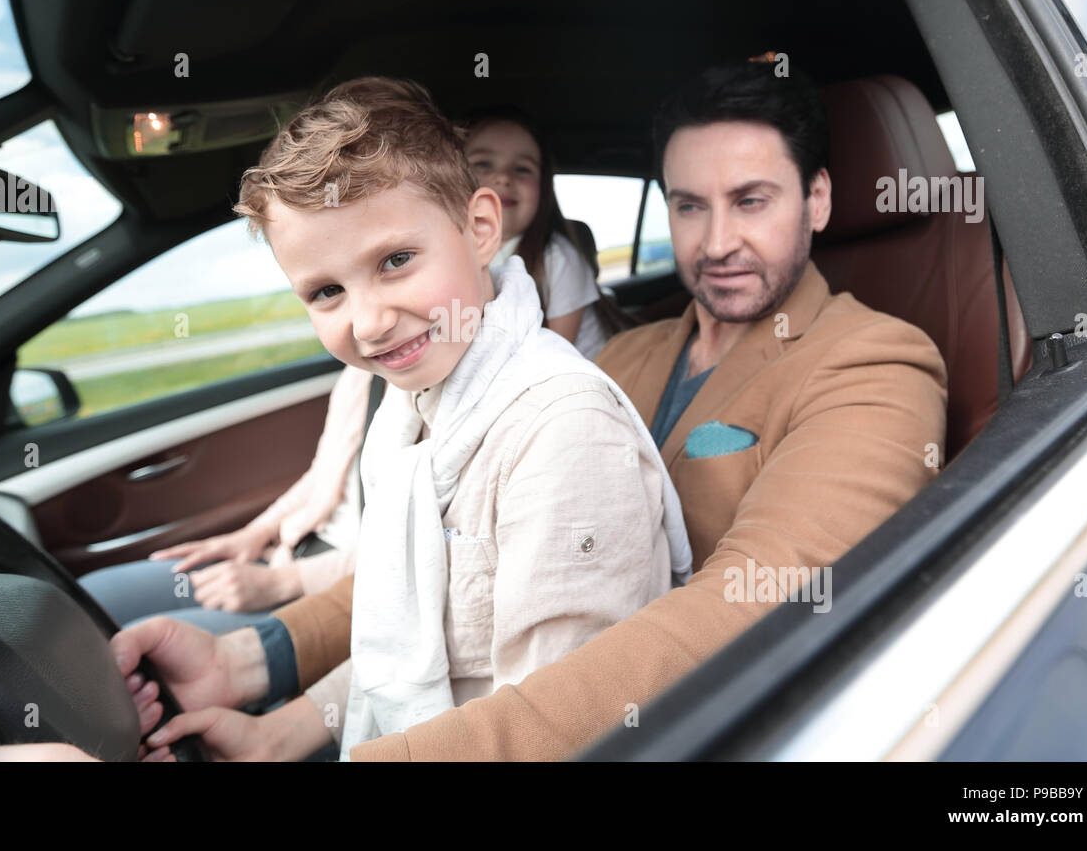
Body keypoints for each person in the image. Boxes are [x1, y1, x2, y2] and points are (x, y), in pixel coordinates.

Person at [118, 59, 946, 762]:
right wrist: (260, 665)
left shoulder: (873, 364)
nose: (717, 239)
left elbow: (746, 610)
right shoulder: (626, 355)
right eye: (689, 205)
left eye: (752, 200)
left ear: (821, 199)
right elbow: (448, 574)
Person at [132, 75, 691, 760]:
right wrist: (275, 736)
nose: (368, 322)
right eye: (326, 291)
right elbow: (416, 645)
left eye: (396, 260)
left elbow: (556, 728)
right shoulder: (407, 414)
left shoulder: (562, 434)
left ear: (481, 228)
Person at [76, 365, 371, 633]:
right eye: (324, 301)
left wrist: (286, 582)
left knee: (141, 646)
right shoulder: (360, 375)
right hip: (290, 553)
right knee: (90, 597)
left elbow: (409, 556)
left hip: (350, 595)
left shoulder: (412, 398)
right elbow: (324, 473)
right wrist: (254, 533)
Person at [462, 107, 631, 359]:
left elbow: (556, 363)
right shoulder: (455, 257)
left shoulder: (558, 259)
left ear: (543, 191)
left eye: (522, 169)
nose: (503, 177)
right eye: (483, 164)